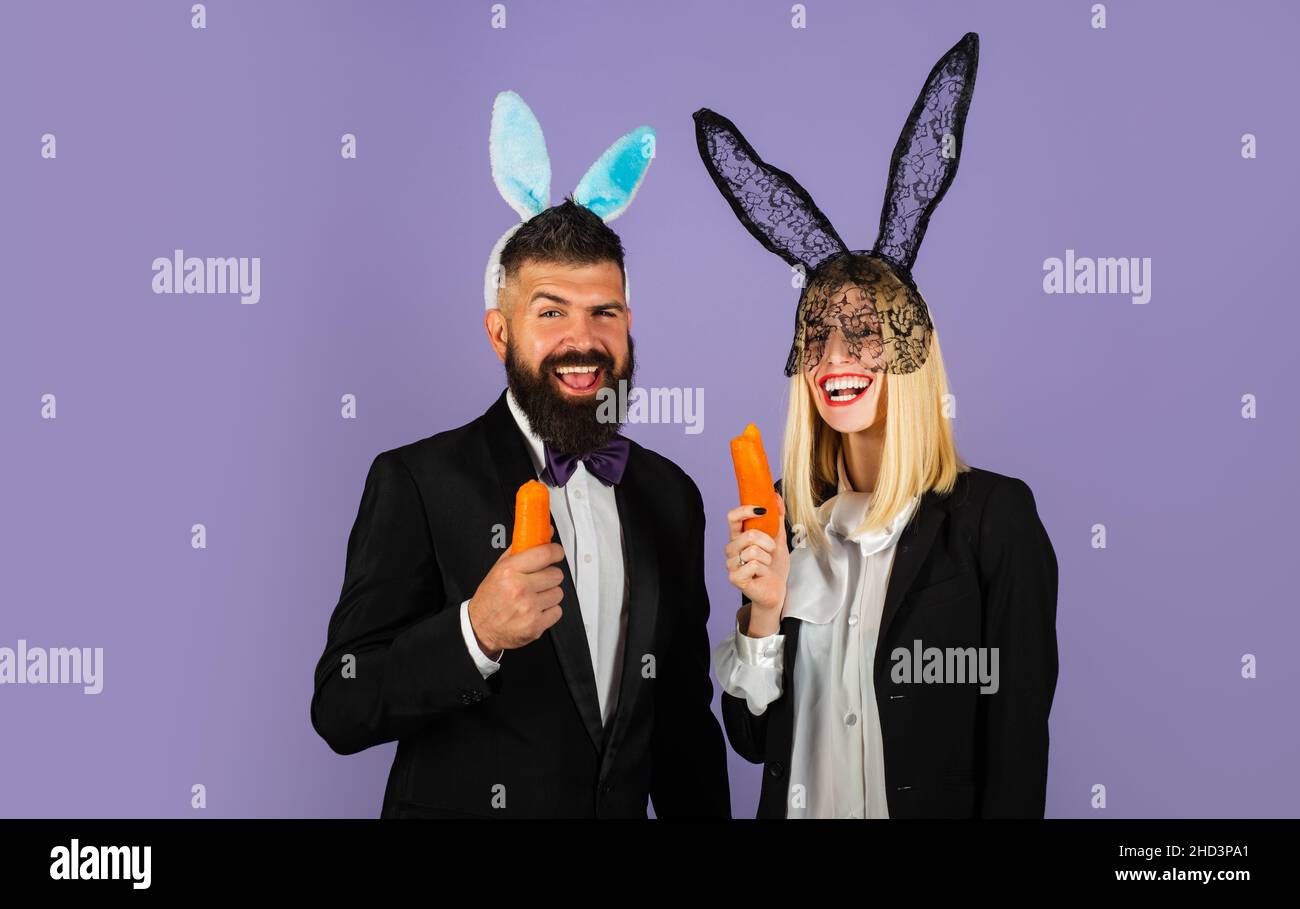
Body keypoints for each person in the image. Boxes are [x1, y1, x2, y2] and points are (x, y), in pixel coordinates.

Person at [310, 91, 729, 818]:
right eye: (550, 312)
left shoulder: (672, 494)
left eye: (603, 312)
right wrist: (476, 631)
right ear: (500, 333)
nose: (582, 339)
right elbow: (342, 704)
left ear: (628, 326)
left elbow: (684, 728)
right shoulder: (417, 482)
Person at [695, 33, 1059, 818]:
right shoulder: (791, 517)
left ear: (911, 347)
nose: (835, 356)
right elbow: (751, 739)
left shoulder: (995, 520)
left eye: (862, 333)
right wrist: (762, 609)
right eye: (818, 332)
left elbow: (1016, 747)